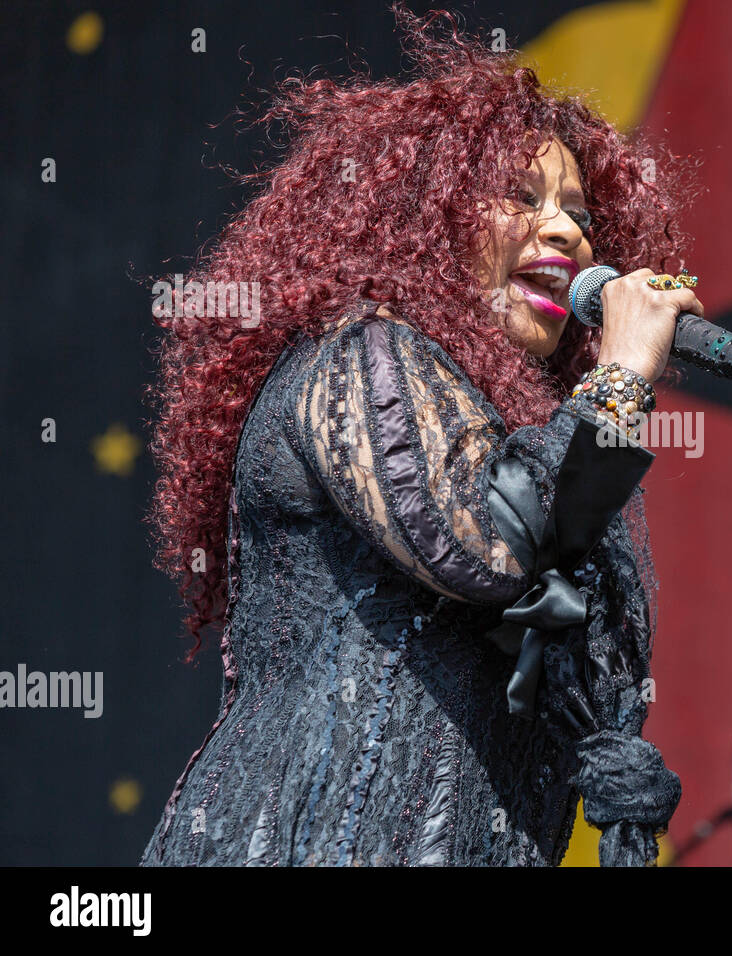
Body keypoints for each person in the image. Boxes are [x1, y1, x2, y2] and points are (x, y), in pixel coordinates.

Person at [140, 8, 699, 866]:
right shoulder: (363, 353)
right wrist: (620, 375)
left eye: (579, 213)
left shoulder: (533, 431)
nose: (566, 232)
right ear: (425, 218)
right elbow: (489, 545)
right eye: (523, 197)